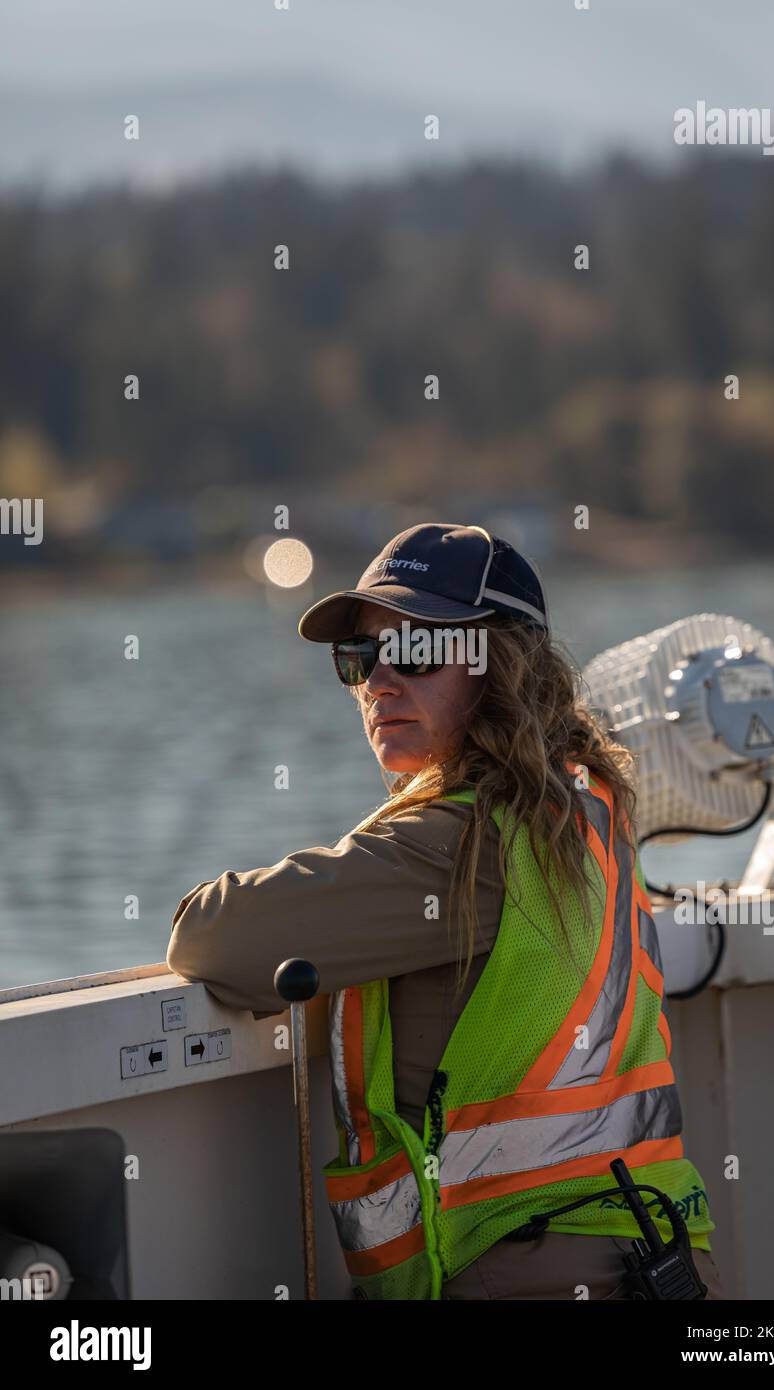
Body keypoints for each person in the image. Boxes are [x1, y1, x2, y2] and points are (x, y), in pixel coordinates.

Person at [166, 522, 724, 1301]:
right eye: (359, 658)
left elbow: (214, 935)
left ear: (500, 670)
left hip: (523, 1271)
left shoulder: (462, 839)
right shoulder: (585, 811)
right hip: (657, 1263)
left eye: (419, 652)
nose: (380, 681)